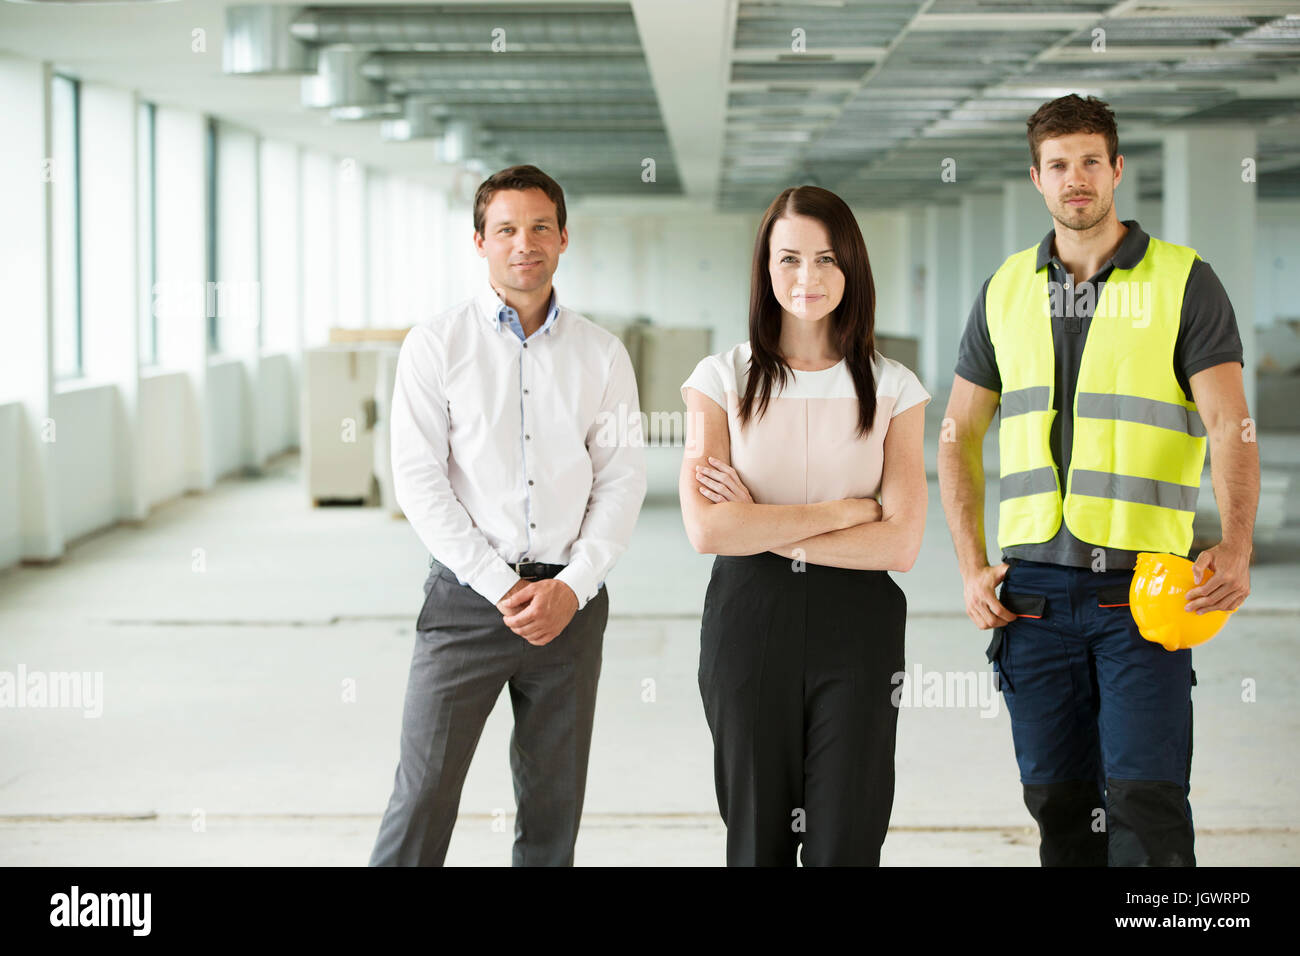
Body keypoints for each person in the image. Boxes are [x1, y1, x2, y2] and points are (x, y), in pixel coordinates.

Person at [937, 94, 1259, 866]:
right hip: (1033, 601)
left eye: (1089, 161)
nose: (1074, 178)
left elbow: (1230, 425)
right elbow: (957, 435)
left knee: (1145, 803)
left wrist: (1238, 543)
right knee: (1058, 807)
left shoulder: (1185, 282)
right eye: (1058, 165)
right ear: (1037, 179)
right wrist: (970, 565)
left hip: (1142, 596)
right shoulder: (1005, 289)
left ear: (1116, 170)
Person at [369, 165, 647, 866]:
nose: (524, 243)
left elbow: (620, 482)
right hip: (467, 602)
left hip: (570, 607)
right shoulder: (437, 345)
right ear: (479, 241)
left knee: (553, 805)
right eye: (506, 229)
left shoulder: (601, 354)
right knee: (424, 793)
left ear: (562, 239)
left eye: (539, 227)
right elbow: (420, 481)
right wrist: (501, 587)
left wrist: (571, 587)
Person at [679, 185, 930, 866]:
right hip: (748, 623)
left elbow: (901, 543)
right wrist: (843, 513)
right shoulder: (719, 380)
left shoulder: (895, 388)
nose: (807, 278)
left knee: (844, 842)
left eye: (826, 259)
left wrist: (756, 521)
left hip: (860, 628)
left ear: (851, 267)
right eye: (788, 259)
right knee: (758, 841)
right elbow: (707, 531)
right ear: (765, 268)